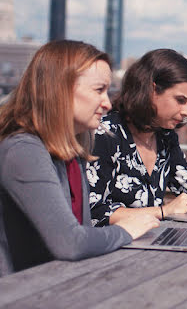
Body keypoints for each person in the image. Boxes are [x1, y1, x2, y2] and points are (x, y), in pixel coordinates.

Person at [0, 40, 160, 276]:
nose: (107, 103)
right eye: (99, 90)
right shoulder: (24, 151)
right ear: (59, 90)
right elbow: (71, 243)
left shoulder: (73, 149)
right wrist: (126, 230)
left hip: (62, 280)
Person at [88, 48, 187, 227]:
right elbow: (95, 212)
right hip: (112, 247)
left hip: (148, 241)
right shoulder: (104, 135)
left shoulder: (165, 137)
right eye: (180, 100)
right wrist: (164, 211)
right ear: (152, 91)